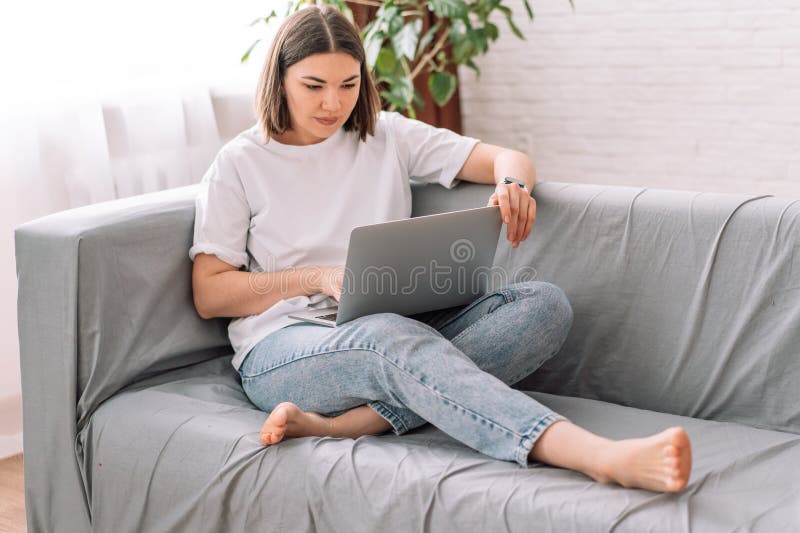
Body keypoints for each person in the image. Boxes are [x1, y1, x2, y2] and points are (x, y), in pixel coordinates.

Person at [189, 5, 692, 493]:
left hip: (393, 325)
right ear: (279, 80)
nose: (332, 104)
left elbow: (505, 157)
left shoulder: (386, 136)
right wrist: (316, 277)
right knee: (384, 335)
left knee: (543, 305)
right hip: (283, 348)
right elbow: (211, 294)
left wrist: (512, 184)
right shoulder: (240, 163)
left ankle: (350, 425)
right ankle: (591, 454)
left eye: (348, 85)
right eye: (314, 86)